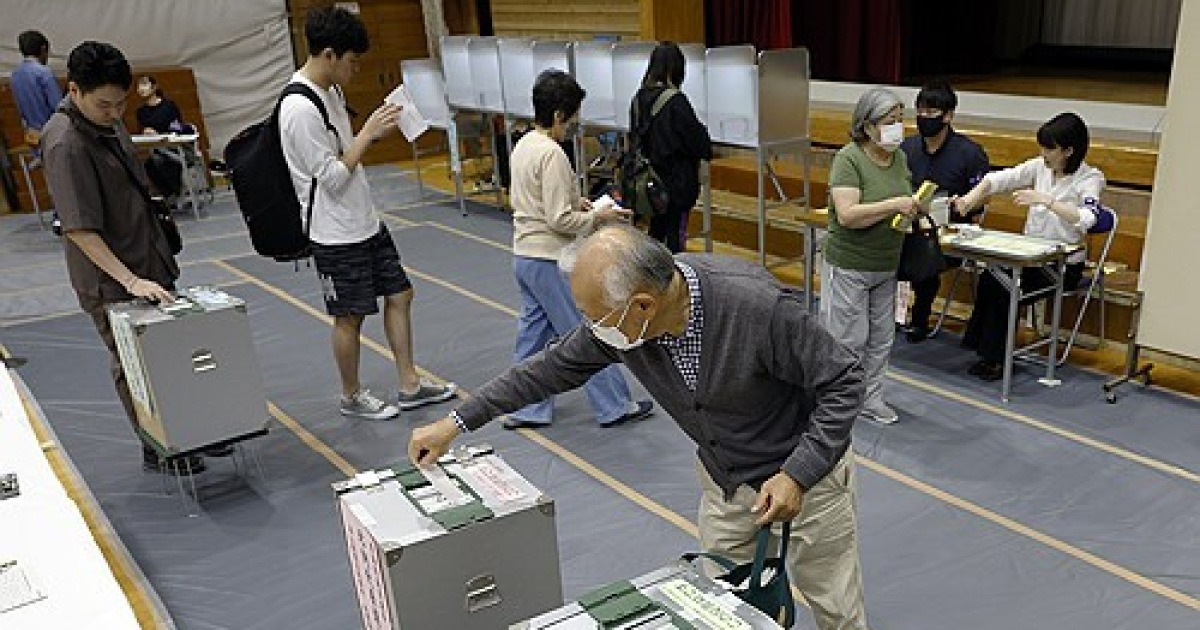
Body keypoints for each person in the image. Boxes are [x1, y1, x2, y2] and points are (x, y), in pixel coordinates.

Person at [410, 225, 870, 630]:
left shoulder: (758, 309)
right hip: (727, 485)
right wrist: (456, 422)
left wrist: (798, 473)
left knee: (838, 608)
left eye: (596, 318)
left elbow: (844, 378)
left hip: (809, 487)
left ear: (644, 305)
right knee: (721, 608)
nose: (591, 328)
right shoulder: (626, 323)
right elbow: (548, 369)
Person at [280, 6, 455, 419]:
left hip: (364, 220)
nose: (356, 69)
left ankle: (409, 383)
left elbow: (347, 153)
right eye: (352, 61)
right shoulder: (299, 110)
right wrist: (367, 134)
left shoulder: (332, 92)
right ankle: (351, 394)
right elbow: (332, 177)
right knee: (350, 316)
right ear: (328, 54)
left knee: (400, 293)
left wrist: (372, 134)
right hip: (334, 231)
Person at [40, 41, 202, 474]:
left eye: (120, 103)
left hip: (146, 257)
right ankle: (158, 446)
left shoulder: (105, 123)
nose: (115, 113)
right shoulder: (66, 143)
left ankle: (185, 432)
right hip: (112, 279)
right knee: (134, 365)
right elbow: (78, 228)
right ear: (74, 90)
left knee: (165, 354)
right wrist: (130, 282)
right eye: (104, 105)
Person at [502, 69, 652, 429]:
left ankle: (526, 406)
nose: (571, 127)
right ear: (558, 114)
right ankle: (614, 404)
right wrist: (599, 217)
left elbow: (533, 200)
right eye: (570, 119)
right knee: (588, 335)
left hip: (523, 254)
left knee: (532, 340)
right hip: (548, 257)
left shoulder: (523, 144)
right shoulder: (552, 154)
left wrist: (577, 202)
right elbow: (558, 220)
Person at [951, 113, 1105, 381]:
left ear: (1068, 150)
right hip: (1029, 258)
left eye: (1050, 149)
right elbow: (999, 179)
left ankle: (995, 360)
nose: (1043, 154)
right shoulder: (1039, 167)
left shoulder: (1090, 179)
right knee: (990, 277)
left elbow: (1087, 219)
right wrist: (969, 199)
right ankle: (982, 348)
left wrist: (1046, 201)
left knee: (1003, 286)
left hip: (1062, 265)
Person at [825, 88, 920, 425]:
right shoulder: (848, 159)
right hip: (850, 263)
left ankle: (871, 397)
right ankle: (838, 400)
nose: (898, 128)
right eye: (889, 122)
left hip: (887, 263)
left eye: (900, 120)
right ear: (867, 127)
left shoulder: (901, 158)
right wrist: (895, 205)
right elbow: (848, 214)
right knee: (849, 338)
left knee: (882, 337)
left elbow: (904, 199)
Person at [899, 81, 990, 342]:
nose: (924, 118)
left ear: (948, 116)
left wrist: (961, 203)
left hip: (948, 232)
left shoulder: (969, 154)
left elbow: (980, 201)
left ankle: (920, 318)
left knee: (923, 253)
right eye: (920, 112)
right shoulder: (907, 149)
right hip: (908, 224)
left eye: (931, 113)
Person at [629, 41, 713, 253]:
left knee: (655, 235)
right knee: (675, 237)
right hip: (675, 184)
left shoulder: (638, 98)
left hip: (646, 181)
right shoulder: (676, 101)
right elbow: (699, 144)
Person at [135, 75, 190, 200]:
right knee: (148, 164)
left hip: (174, 146)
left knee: (162, 160)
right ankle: (170, 194)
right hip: (155, 148)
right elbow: (142, 131)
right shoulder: (141, 112)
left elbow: (178, 126)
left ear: (154, 87)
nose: (140, 88)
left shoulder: (169, 106)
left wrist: (161, 133)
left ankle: (176, 192)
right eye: (138, 86)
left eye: (144, 84)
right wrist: (146, 131)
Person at [11, 30, 63, 147]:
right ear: (43, 49)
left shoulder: (15, 75)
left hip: (32, 134)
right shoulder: (44, 73)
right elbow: (59, 107)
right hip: (53, 135)